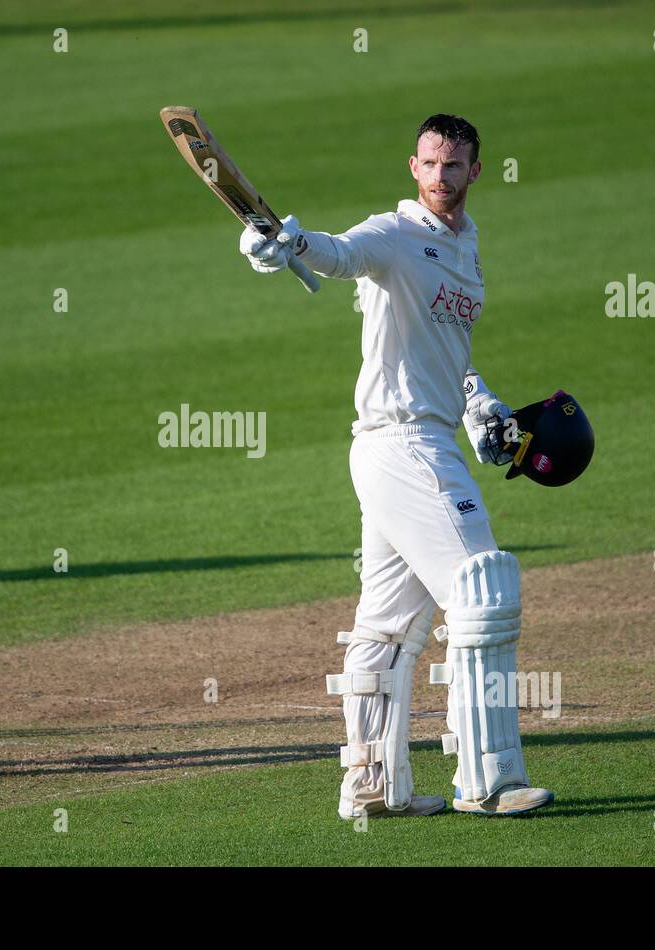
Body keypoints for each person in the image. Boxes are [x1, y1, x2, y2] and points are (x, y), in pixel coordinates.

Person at [240, 115, 553, 818]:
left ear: (477, 172)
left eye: (455, 165)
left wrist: (480, 405)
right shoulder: (395, 232)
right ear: (413, 167)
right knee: (483, 589)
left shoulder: (466, 247)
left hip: (420, 441)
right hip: (403, 442)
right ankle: (491, 781)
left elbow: (448, 350)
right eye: (430, 164)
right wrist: (282, 247)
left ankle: (373, 786)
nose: (441, 177)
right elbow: (338, 253)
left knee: (386, 629)